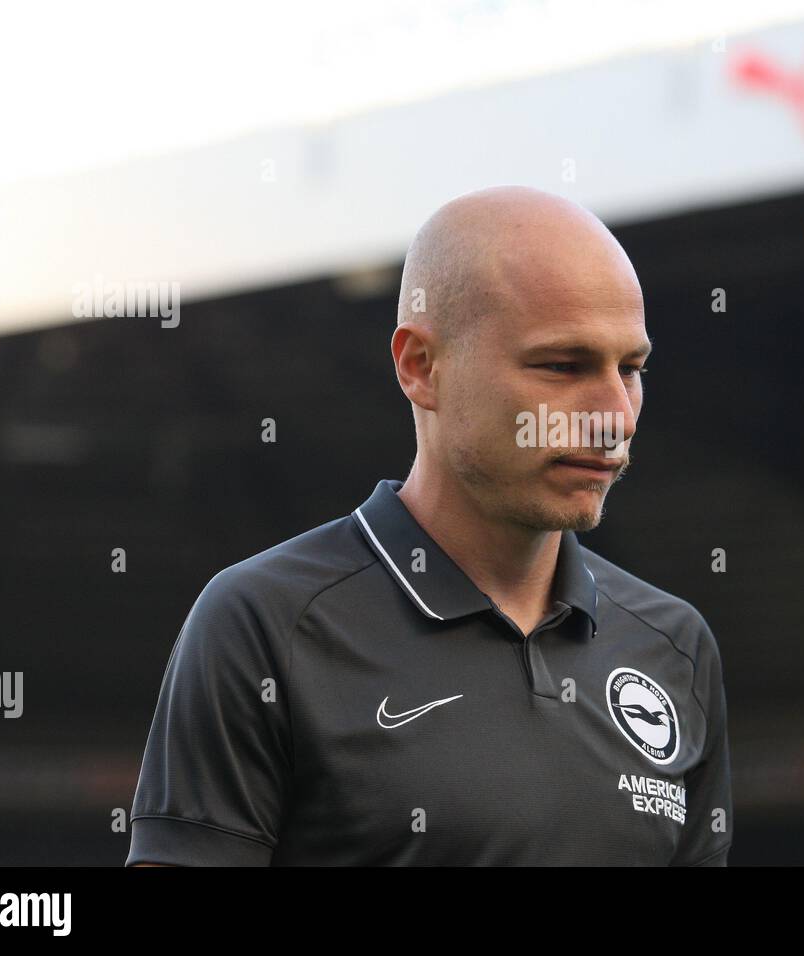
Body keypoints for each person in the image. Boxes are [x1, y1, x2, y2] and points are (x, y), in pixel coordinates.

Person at [126, 185, 733, 865]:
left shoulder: (674, 645)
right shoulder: (266, 623)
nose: (614, 416)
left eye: (632, 369)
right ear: (421, 367)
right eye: (563, 366)